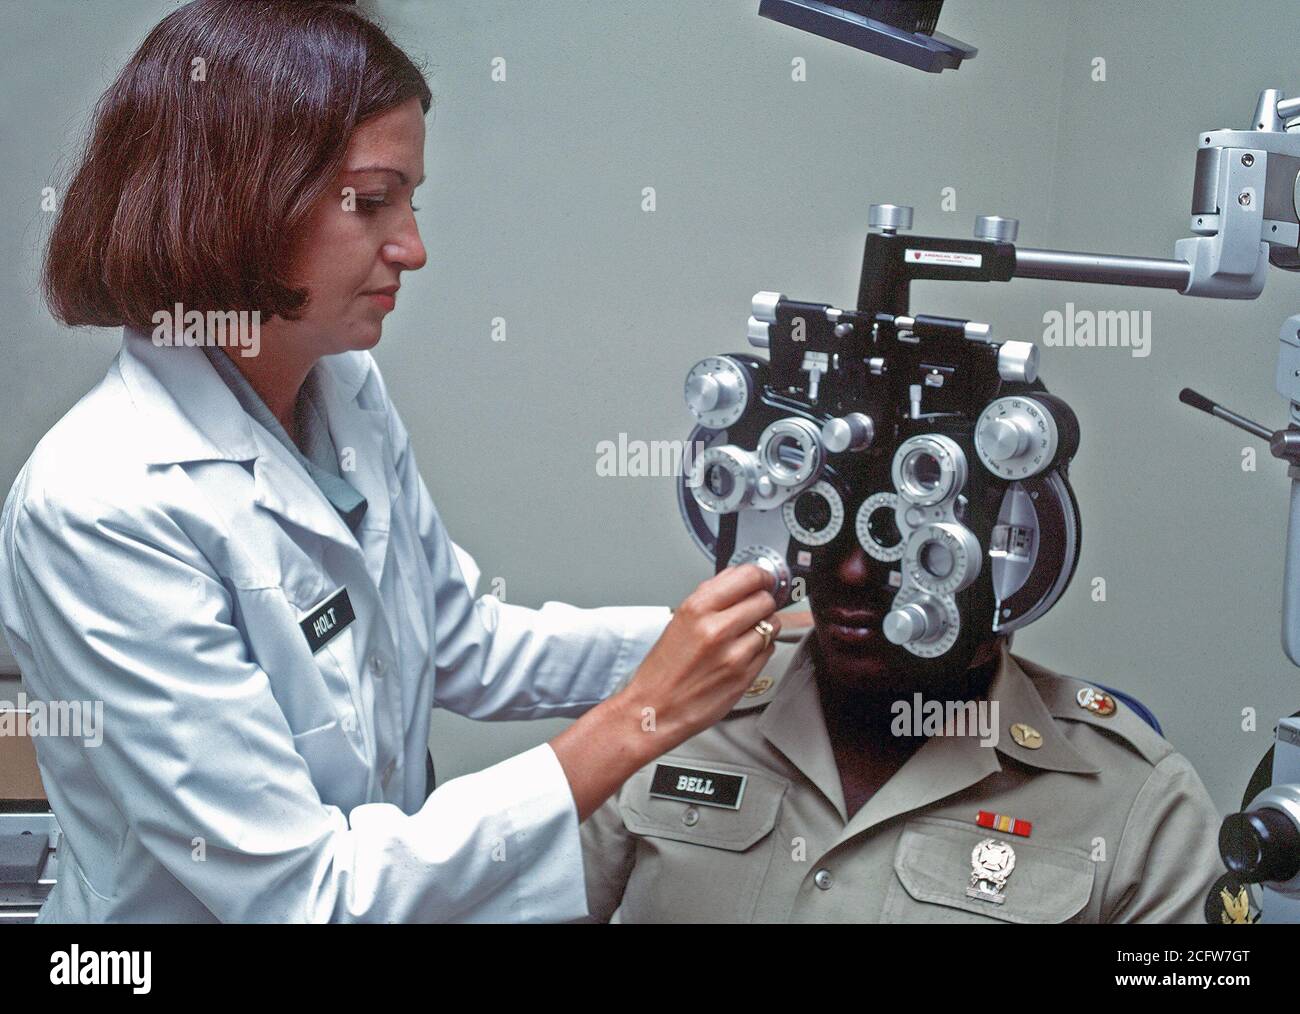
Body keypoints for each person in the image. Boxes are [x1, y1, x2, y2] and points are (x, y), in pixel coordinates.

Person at [0, 0, 783, 922]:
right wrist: (639, 717)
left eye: (410, 201)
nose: (412, 248)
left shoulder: (343, 387)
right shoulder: (101, 503)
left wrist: (733, 640)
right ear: (243, 198)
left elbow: (459, 646)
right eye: (371, 203)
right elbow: (307, 895)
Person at [580, 531, 1226, 923]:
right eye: (833, 523)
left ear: (1010, 556)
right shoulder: (678, 712)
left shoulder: (1136, 799)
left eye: (906, 537)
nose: (852, 571)